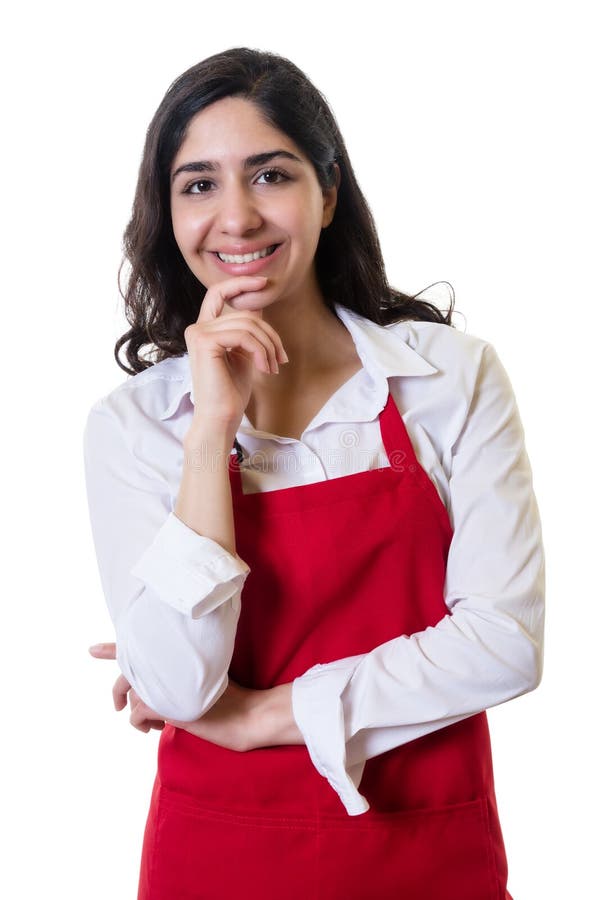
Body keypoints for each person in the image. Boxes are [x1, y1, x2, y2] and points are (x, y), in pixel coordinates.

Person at [83, 47, 545, 900]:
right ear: (167, 214)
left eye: (270, 175)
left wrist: (258, 715)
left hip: (426, 850)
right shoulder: (136, 425)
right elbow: (179, 685)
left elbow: (504, 644)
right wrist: (210, 430)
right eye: (198, 184)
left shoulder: (449, 379)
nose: (236, 217)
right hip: (215, 860)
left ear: (328, 193)